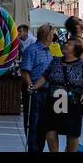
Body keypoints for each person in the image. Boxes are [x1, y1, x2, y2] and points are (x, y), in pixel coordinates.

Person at [35, 37, 83, 153]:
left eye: (68, 44)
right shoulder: (55, 61)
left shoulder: (81, 65)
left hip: (73, 101)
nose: (65, 45)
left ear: (75, 50)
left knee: (72, 131)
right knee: (51, 129)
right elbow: (45, 76)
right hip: (54, 99)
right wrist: (35, 87)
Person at [19, 24, 55, 153]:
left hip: (48, 91)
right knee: (32, 123)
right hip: (35, 90)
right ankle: (33, 149)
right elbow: (25, 71)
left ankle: (39, 148)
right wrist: (30, 87)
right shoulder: (31, 50)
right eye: (52, 34)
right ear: (46, 35)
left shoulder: (50, 50)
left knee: (44, 124)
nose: (53, 36)